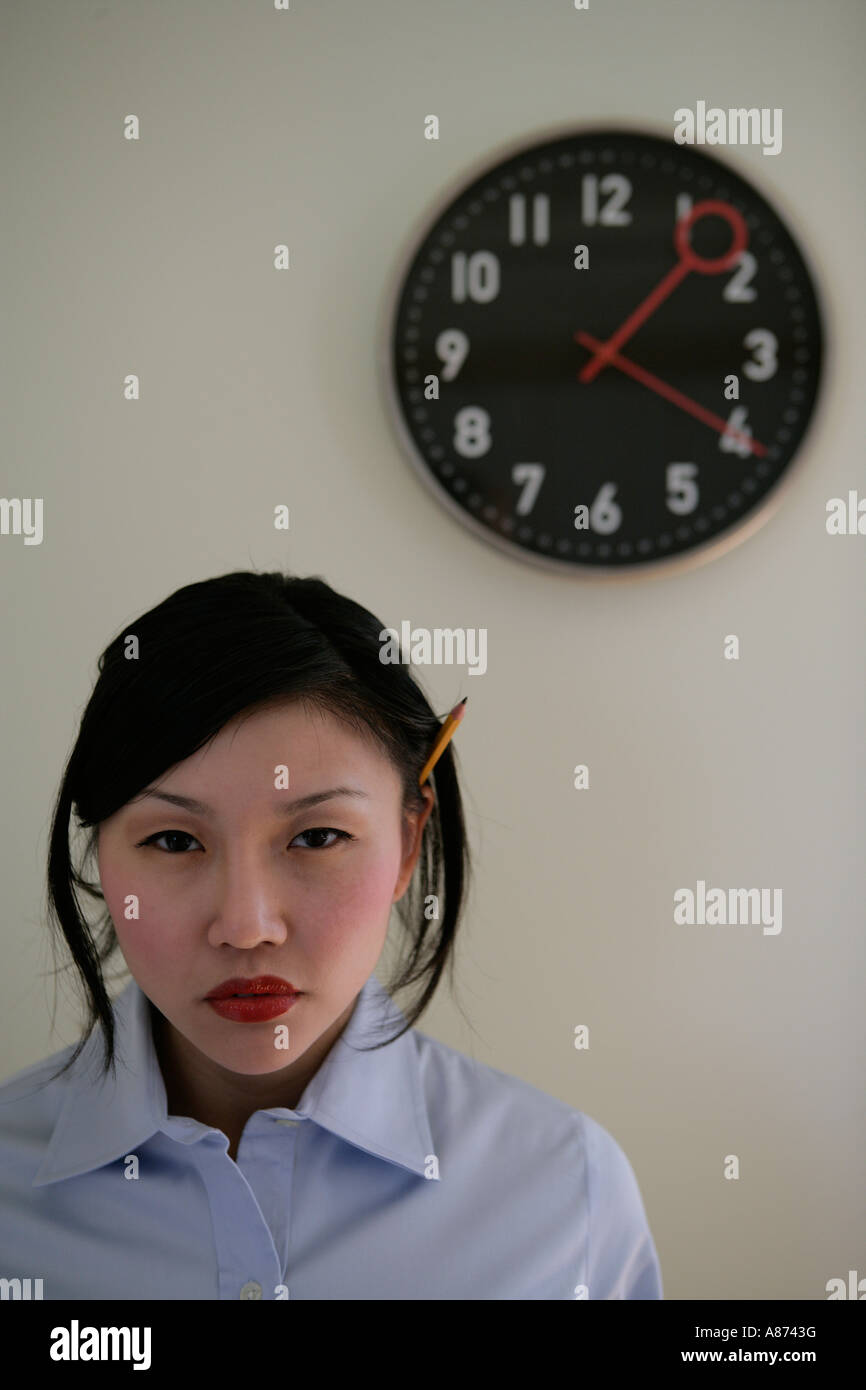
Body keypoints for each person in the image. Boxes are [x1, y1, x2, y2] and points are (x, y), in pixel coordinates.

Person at [0, 569, 662, 1299]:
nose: (246, 927)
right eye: (174, 842)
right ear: (101, 854)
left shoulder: (566, 1193)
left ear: (408, 845)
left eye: (317, 836)